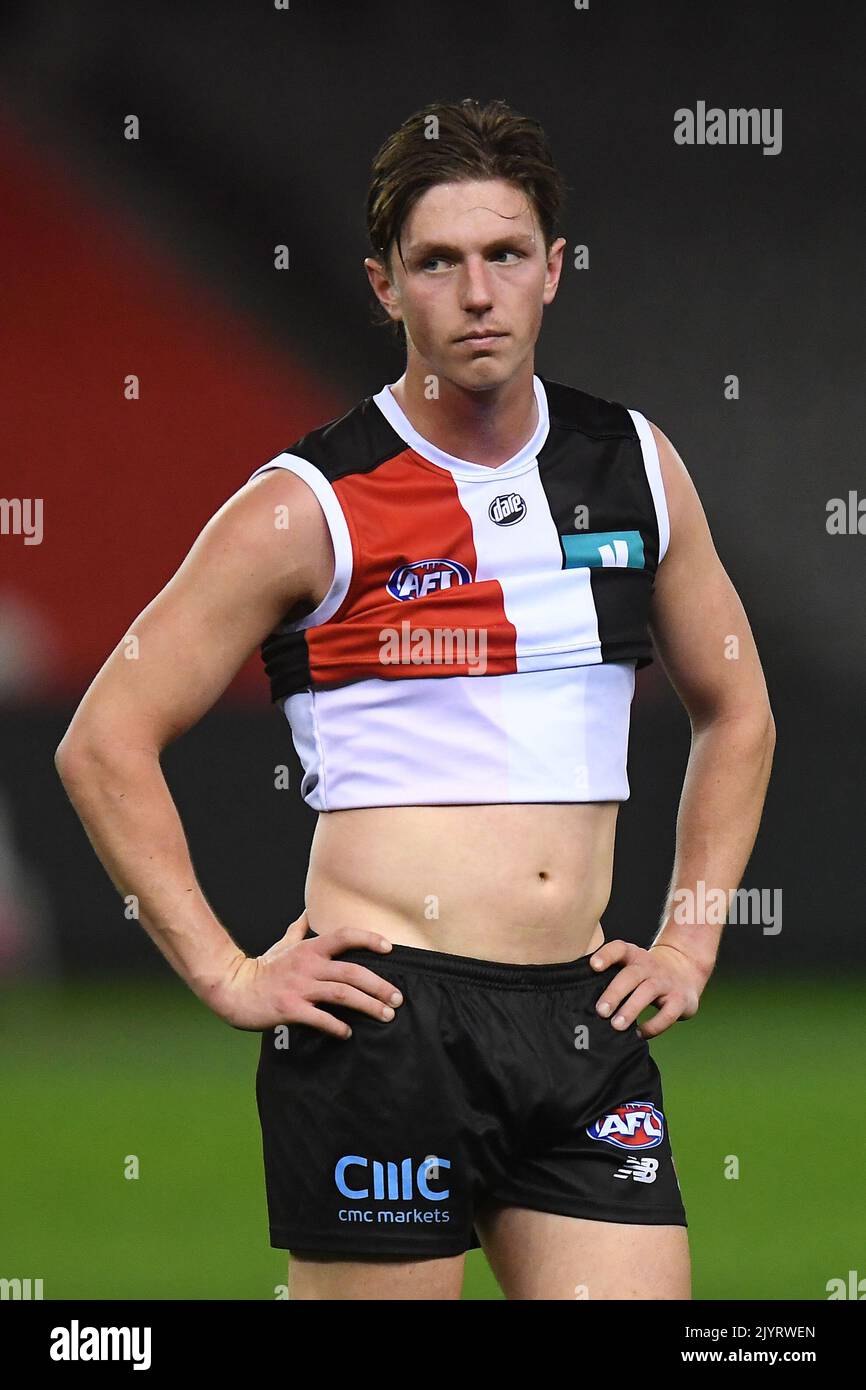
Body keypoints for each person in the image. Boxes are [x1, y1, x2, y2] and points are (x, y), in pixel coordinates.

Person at [54, 97, 775, 1301]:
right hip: (383, 1027)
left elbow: (736, 709)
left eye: (503, 256)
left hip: (581, 1021)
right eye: (438, 262)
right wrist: (228, 973)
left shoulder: (635, 467)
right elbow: (103, 740)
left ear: (553, 270)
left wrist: (692, 932)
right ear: (385, 286)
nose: (476, 293)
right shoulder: (308, 502)